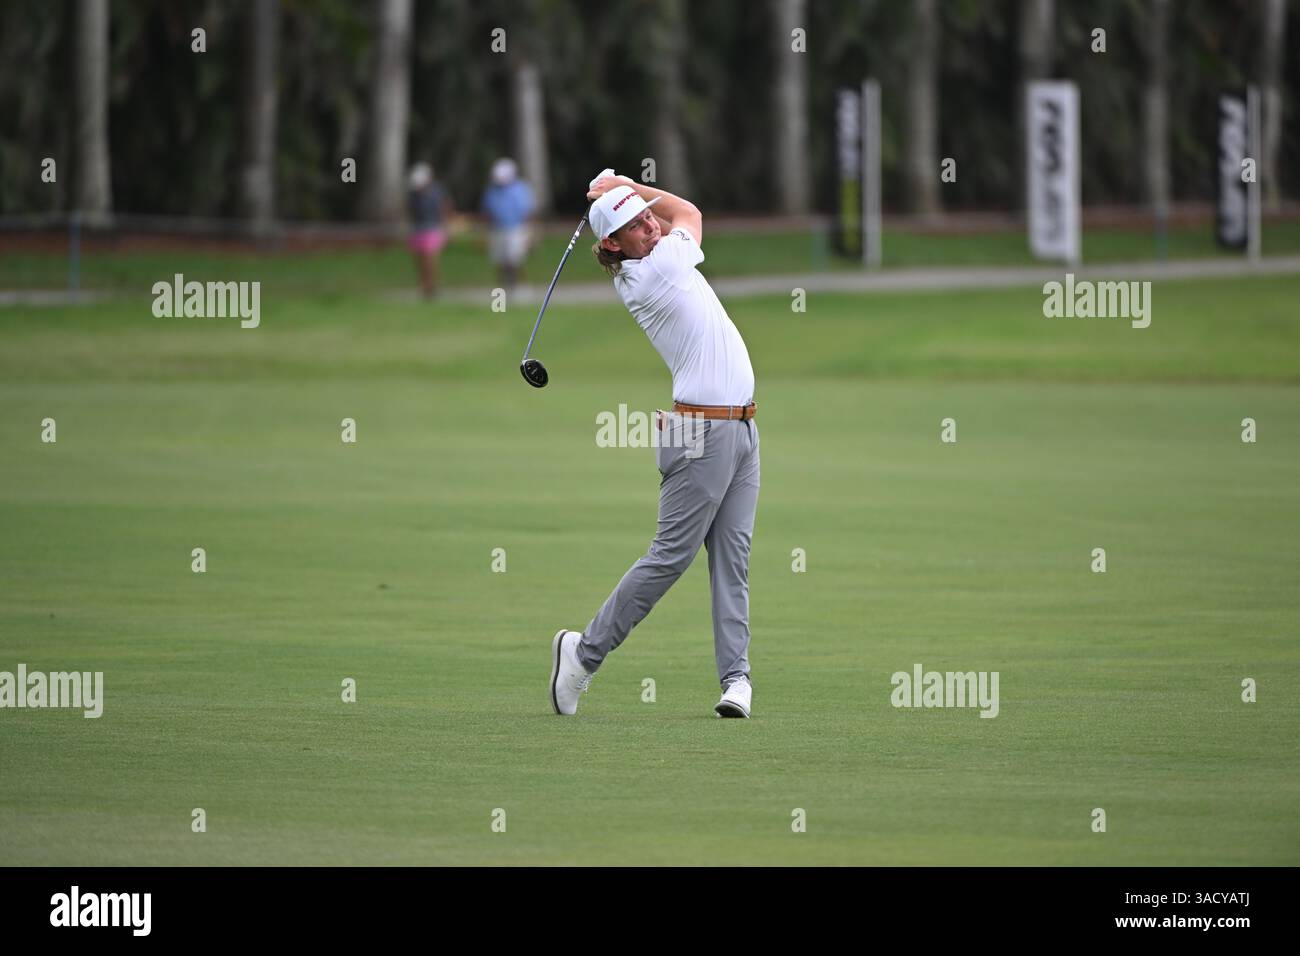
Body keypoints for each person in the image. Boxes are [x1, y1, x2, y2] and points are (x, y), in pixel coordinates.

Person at [548, 172, 760, 719]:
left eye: (647, 218)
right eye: (636, 226)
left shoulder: (655, 256)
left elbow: (668, 221)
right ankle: (582, 655)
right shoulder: (654, 271)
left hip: (740, 429)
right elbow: (689, 213)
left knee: (732, 560)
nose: (651, 227)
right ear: (613, 243)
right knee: (669, 559)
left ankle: (736, 680)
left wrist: (631, 200)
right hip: (699, 433)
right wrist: (626, 183)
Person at [480, 158, 534, 295]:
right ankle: (501, 292)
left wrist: (529, 234)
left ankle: (518, 288)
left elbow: (526, 212)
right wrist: (485, 232)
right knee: (499, 262)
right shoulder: (492, 190)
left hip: (515, 229)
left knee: (514, 260)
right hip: (496, 229)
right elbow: (487, 211)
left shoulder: (519, 189)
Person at [407, 162, 450, 298]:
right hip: (418, 229)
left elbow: (444, 209)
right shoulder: (413, 194)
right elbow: (410, 211)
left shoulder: (437, 192)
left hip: (433, 228)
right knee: (420, 261)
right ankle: (424, 286)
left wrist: (445, 227)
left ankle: (433, 286)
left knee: (430, 260)